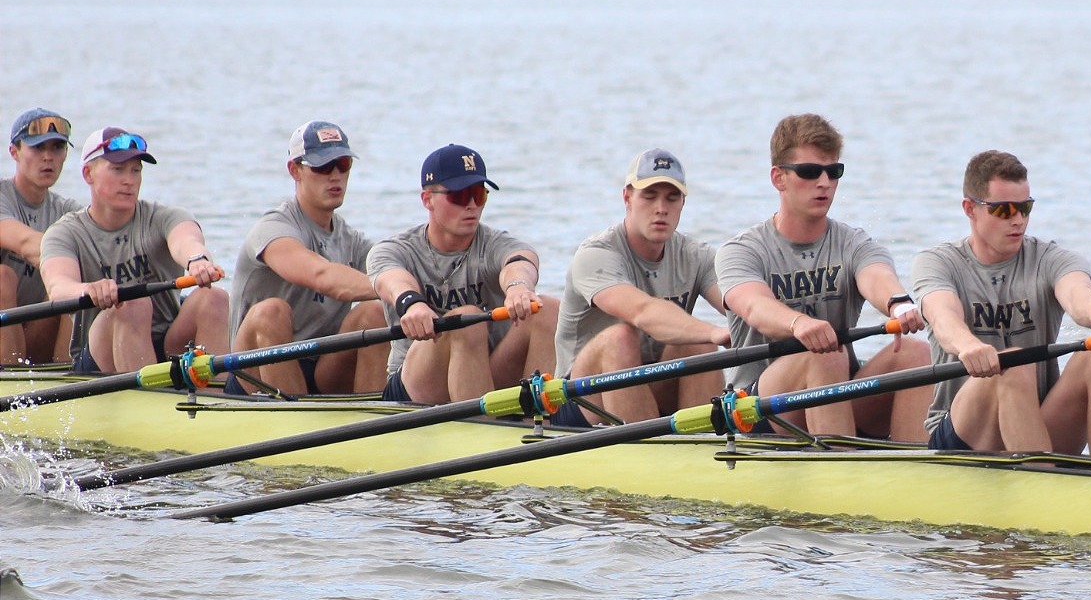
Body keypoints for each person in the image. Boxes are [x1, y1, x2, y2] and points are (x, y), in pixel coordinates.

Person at [911, 150, 1091, 455]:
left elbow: (1077, 294)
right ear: (970, 208)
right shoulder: (937, 262)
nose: (1018, 220)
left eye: (1025, 208)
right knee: (1013, 363)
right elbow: (943, 316)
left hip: (1037, 423)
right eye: (1004, 210)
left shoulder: (1050, 258)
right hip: (965, 435)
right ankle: (1042, 488)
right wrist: (968, 345)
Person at [716, 113, 929, 441]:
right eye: (810, 172)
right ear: (779, 178)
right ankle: (841, 467)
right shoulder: (742, 251)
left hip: (833, 387)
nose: (824, 182)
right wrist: (798, 324)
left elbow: (876, 276)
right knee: (825, 353)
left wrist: (898, 303)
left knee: (916, 353)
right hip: (758, 409)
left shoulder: (852, 243)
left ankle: (918, 470)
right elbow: (756, 307)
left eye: (833, 172)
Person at [367, 143, 557, 404]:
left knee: (548, 308)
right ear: (427, 199)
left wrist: (518, 287)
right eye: (458, 195)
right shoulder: (395, 249)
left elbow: (520, 260)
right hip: (416, 386)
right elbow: (392, 280)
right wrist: (412, 303)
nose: (471, 206)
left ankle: (537, 427)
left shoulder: (494, 243)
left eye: (478, 195)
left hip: (487, 373)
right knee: (467, 320)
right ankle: (481, 431)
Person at [553, 148, 731, 424]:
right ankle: (652, 454)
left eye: (672, 198)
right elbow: (643, 312)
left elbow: (741, 302)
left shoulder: (696, 255)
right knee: (620, 338)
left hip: (649, 387)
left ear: (683, 203)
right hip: (580, 403)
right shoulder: (595, 255)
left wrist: (786, 321)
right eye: (649, 196)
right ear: (627, 197)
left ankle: (703, 451)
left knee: (699, 345)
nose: (661, 208)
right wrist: (715, 332)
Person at [40, 127, 229, 373]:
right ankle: (151, 403)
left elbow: (187, 240)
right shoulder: (64, 233)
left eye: (136, 170)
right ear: (88, 173)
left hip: (166, 345)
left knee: (215, 298)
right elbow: (58, 286)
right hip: (99, 358)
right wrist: (90, 289)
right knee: (133, 303)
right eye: (118, 170)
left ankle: (216, 401)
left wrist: (197, 260)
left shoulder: (164, 217)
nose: (129, 180)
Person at [226, 121, 387, 397]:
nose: (335, 176)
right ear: (295, 170)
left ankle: (375, 420)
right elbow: (321, 276)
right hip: (254, 372)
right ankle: (294, 418)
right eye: (323, 167)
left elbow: (392, 268)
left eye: (343, 165)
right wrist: (394, 289)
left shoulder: (352, 240)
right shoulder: (274, 228)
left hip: (323, 368)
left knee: (374, 313)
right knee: (271, 312)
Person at [0, 108, 83, 364]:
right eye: (37, 148)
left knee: (74, 288)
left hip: (36, 335)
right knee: (3, 276)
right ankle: (10, 377)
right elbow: (26, 243)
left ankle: (69, 377)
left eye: (57, 147)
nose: (48, 157)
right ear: (14, 152)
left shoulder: (69, 211)